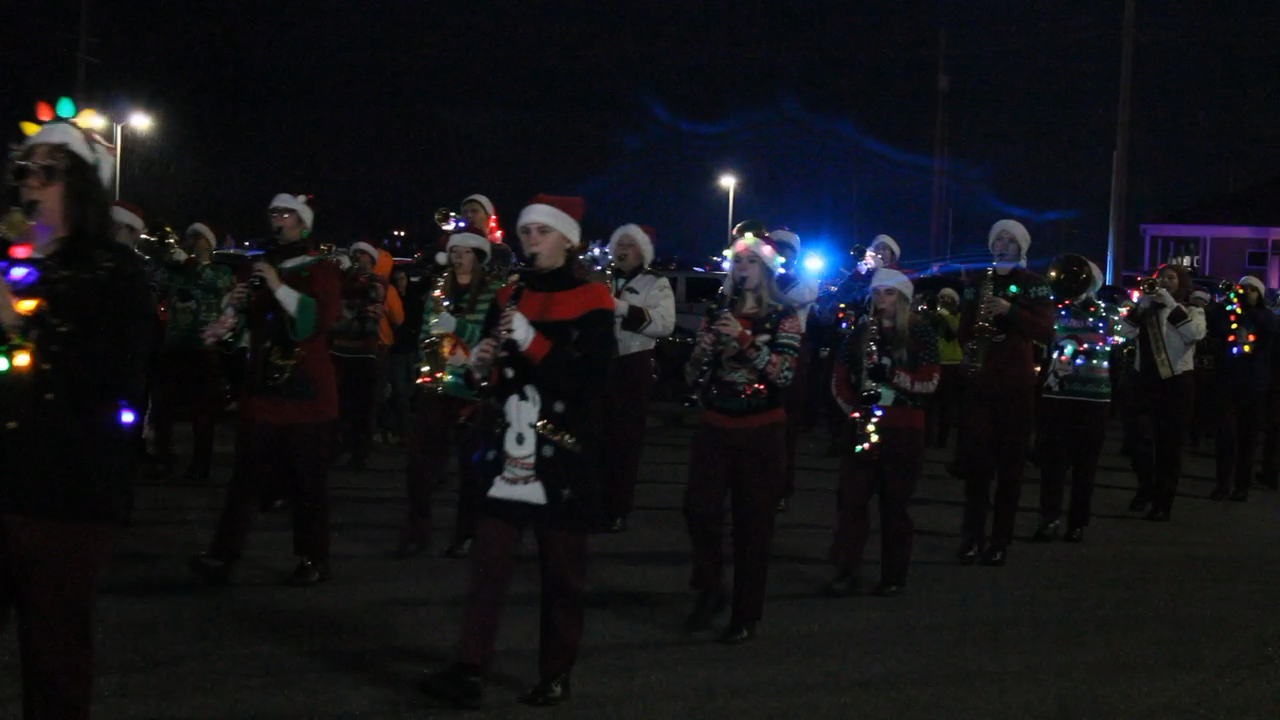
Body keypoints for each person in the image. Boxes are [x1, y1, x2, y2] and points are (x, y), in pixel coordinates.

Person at [421, 195, 614, 710]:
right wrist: (481, 364)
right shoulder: (510, 294)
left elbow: (590, 381)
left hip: (564, 453)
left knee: (562, 574)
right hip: (506, 447)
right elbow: (493, 376)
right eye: (526, 232)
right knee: (489, 566)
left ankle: (556, 671)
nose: (531, 240)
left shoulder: (595, 298)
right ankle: (469, 667)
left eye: (542, 232)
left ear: (568, 238)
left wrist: (531, 341)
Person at [0, 121, 155, 718]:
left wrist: (22, 324)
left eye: (48, 172)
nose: (30, 186)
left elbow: (111, 380)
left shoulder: (115, 272)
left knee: (54, 657)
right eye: (23, 172)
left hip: (64, 492)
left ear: (84, 187)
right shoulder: (11, 258)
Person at [190, 193, 342, 586]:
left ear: (303, 223)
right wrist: (230, 313)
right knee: (244, 479)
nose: (277, 219)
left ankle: (314, 558)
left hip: (307, 391)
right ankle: (223, 554)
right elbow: (244, 330)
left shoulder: (320, 268)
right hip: (264, 389)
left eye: (285, 213)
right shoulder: (258, 267)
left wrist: (276, 285)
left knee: (308, 483)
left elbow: (318, 320)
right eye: (273, 212)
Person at [681, 232, 802, 643]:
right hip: (715, 424)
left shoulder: (784, 315)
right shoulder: (721, 311)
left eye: (751, 263)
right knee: (699, 511)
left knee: (753, 524)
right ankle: (709, 589)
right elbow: (692, 375)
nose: (742, 270)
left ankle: (745, 612)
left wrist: (745, 341)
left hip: (761, 430)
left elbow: (784, 374)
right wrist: (699, 355)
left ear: (766, 270)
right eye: (738, 263)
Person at [826, 269, 939, 596]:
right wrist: (853, 409)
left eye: (889, 294)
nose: (882, 300)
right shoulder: (860, 333)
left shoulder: (921, 333)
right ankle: (846, 568)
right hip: (864, 425)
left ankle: (893, 573)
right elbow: (839, 378)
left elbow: (930, 382)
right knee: (851, 501)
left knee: (895, 504)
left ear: (902, 298)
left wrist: (893, 374)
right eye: (877, 294)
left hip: (904, 430)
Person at [397, 228, 505, 559]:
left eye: (466, 251)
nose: (459, 256)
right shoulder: (439, 290)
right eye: (454, 251)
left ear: (479, 256)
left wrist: (458, 329)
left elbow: (494, 340)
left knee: (471, 470)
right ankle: (418, 531)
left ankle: (466, 534)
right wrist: (425, 365)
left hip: (470, 390)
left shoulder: (493, 294)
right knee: (419, 466)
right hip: (435, 387)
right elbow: (426, 333)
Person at [957, 220, 1054, 566]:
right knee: (977, 466)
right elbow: (965, 328)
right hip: (981, 381)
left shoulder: (1036, 285)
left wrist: (1011, 310)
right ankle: (971, 537)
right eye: (997, 237)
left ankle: (1000, 540)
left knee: (1010, 467)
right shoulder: (976, 282)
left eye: (1009, 240)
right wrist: (968, 346)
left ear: (1021, 247)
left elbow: (1046, 331)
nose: (1001, 243)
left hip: (1016, 384)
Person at [597, 224, 675, 532]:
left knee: (625, 441)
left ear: (643, 250)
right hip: (600, 364)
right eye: (619, 243)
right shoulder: (599, 278)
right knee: (597, 437)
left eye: (629, 244)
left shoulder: (655, 282)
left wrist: (620, 308)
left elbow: (665, 324)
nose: (622, 249)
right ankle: (596, 502)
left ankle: (618, 507)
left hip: (632, 364)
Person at [1033, 258, 1113, 543]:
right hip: (1057, 394)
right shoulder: (1051, 310)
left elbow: (1122, 336)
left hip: (1094, 397)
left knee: (1085, 465)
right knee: (1052, 463)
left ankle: (1078, 522)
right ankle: (1049, 518)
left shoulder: (1107, 312)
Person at [1117, 264, 1205, 520]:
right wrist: (1143, 304)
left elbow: (1194, 334)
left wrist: (1169, 304)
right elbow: (1123, 332)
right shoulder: (1146, 311)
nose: (1165, 282)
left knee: (1169, 446)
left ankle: (1162, 502)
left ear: (1181, 283)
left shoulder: (1192, 310)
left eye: (1171, 278)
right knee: (1136, 441)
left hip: (1175, 382)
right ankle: (1146, 487)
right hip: (1143, 382)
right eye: (1161, 278)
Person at [149, 222, 234, 480]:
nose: (192, 242)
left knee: (203, 412)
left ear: (209, 243)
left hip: (202, 349)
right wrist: (163, 256)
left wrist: (187, 263)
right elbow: (156, 277)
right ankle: (164, 459)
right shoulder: (180, 271)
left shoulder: (220, 271)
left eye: (197, 238)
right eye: (189, 238)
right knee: (163, 407)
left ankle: (200, 465)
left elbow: (217, 285)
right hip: (174, 347)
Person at [1207, 276, 1274, 502]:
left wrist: (1247, 309)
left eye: (1252, 290)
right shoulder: (1228, 312)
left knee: (1248, 437)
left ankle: (1242, 485)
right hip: (1228, 381)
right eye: (1243, 288)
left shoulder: (1265, 315)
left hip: (1254, 383)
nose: (1246, 293)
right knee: (1225, 434)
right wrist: (1230, 301)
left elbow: (1268, 331)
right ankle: (1222, 484)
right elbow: (1214, 323)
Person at [769, 228, 819, 513]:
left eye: (787, 249)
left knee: (787, 423)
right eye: (777, 247)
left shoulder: (806, 279)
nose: (782, 253)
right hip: (763, 345)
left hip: (793, 348)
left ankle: (782, 487)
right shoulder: (764, 274)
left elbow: (789, 301)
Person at [330, 240, 390, 472]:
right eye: (355, 254)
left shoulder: (376, 281)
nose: (358, 258)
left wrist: (348, 280)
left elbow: (372, 297)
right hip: (339, 349)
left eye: (363, 255)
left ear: (372, 261)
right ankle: (337, 448)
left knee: (362, 407)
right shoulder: (344, 279)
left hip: (363, 352)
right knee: (339, 405)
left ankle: (359, 453)